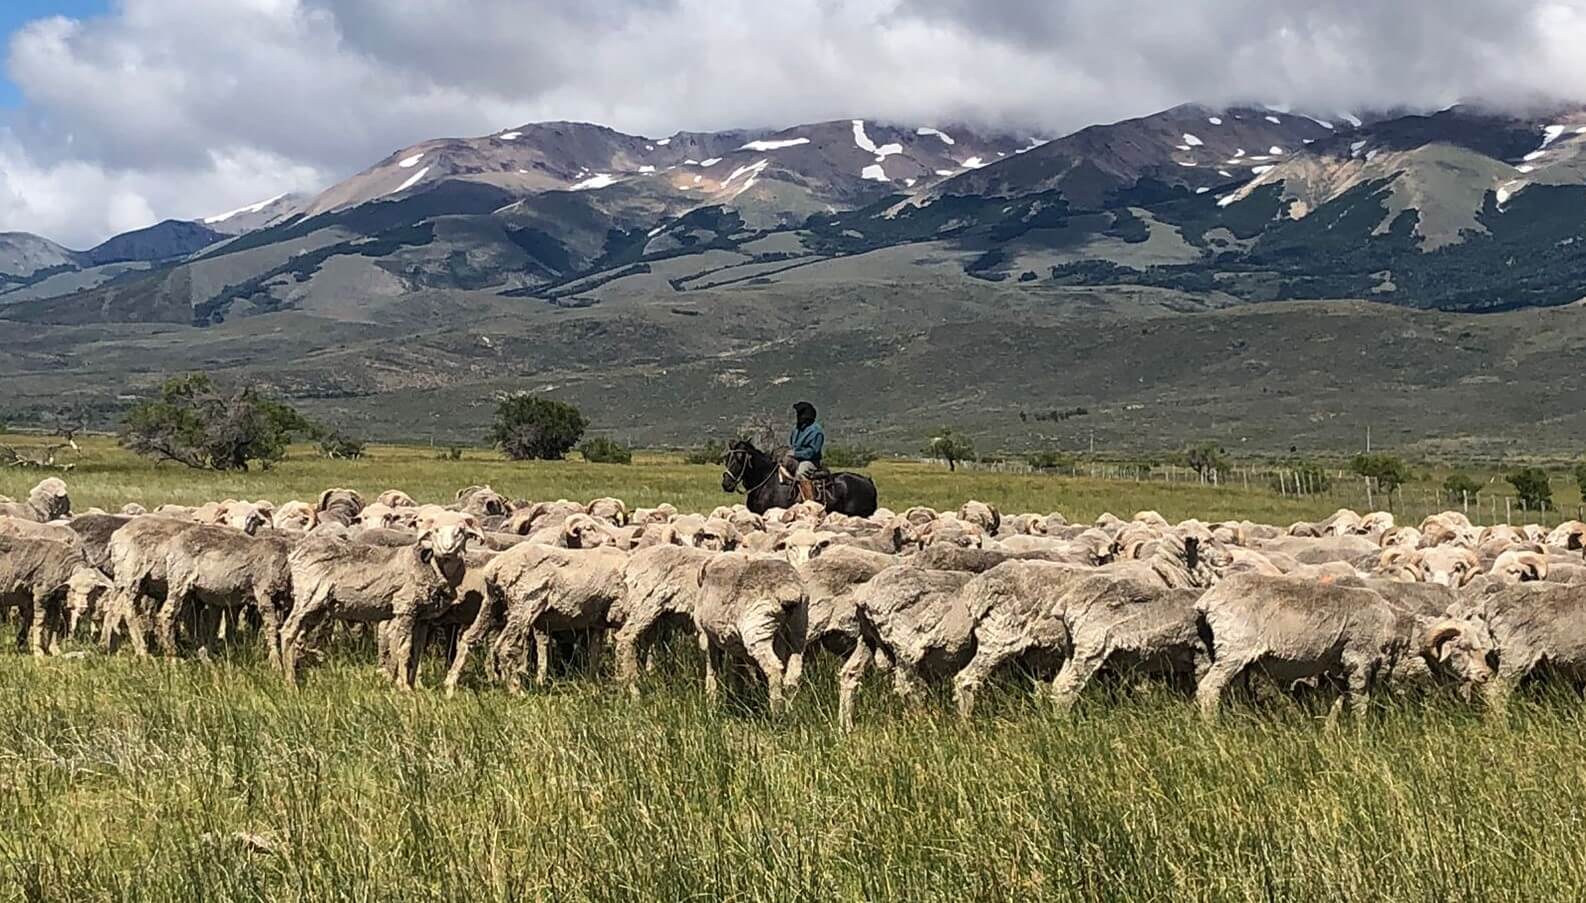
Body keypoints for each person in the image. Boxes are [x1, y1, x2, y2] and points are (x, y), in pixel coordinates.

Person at [787, 401, 825, 502]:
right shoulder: (796, 429)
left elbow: (813, 452)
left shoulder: (816, 431)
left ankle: (810, 502)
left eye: (800, 414)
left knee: (801, 471)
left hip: (811, 461)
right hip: (796, 458)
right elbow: (792, 444)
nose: (798, 417)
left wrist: (796, 454)